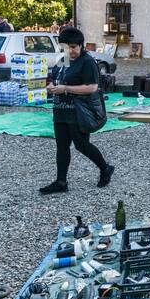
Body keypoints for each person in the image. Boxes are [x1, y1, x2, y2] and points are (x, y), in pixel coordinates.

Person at [41, 27, 114, 194]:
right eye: (66, 47)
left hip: (78, 111)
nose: (70, 51)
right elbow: (55, 79)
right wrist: (51, 86)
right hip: (60, 110)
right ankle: (61, 182)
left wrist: (65, 88)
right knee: (62, 147)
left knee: (81, 145)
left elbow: (92, 87)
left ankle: (105, 168)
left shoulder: (87, 62)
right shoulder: (63, 59)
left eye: (73, 47)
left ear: (81, 46)